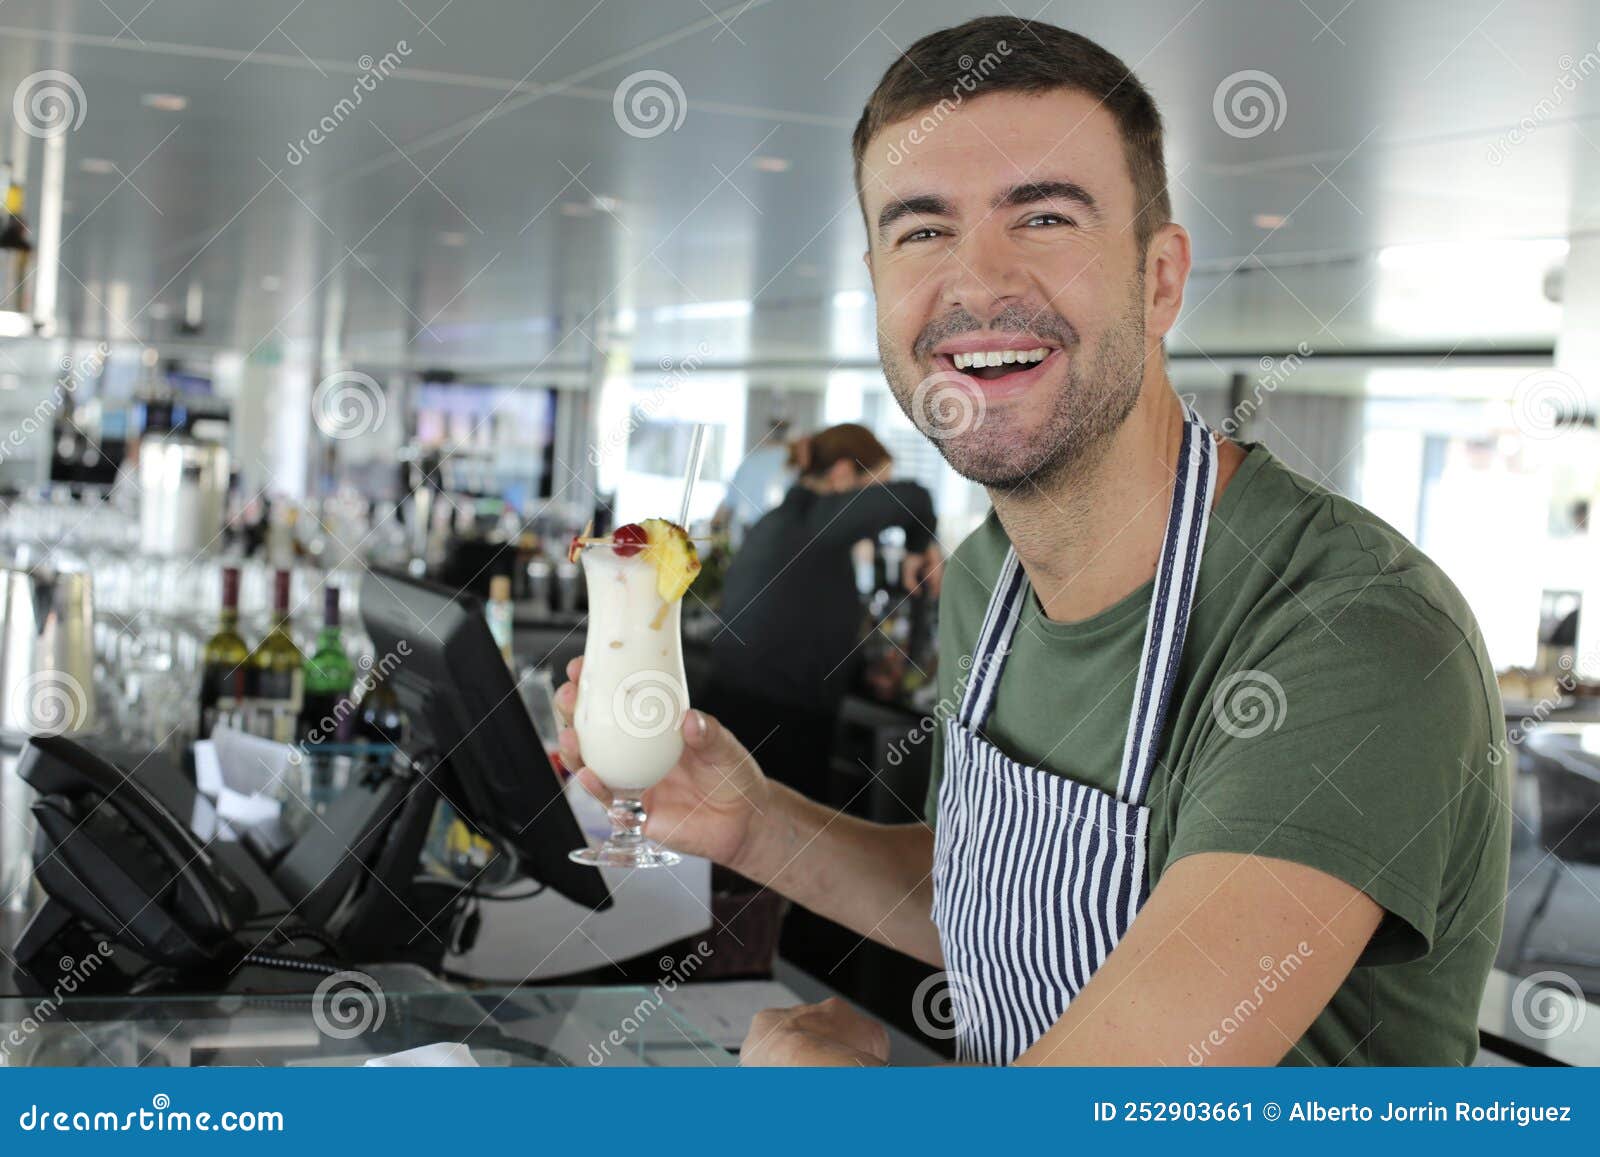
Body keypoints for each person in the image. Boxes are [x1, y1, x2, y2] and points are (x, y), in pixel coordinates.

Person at [556, 16, 1508, 1066]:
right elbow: (1002, 898)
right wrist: (757, 824)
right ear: (876, 285)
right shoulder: (988, 580)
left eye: (1044, 216)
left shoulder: (1348, 637)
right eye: (921, 231)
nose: (976, 282)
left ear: (1159, 278)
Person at [702, 422, 940, 799]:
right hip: (780, 722)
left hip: (740, 708)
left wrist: (861, 670)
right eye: (876, 488)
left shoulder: (779, 522)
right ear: (844, 474)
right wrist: (918, 548)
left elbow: (803, 620)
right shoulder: (818, 522)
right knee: (783, 849)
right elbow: (915, 498)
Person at [712, 419, 796, 548]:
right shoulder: (797, 467)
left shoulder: (748, 462)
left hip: (747, 541)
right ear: (793, 435)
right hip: (782, 542)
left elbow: (721, 515)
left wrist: (716, 548)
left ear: (767, 434)